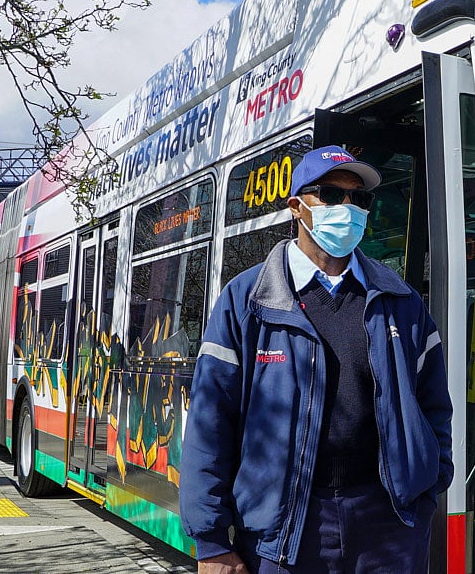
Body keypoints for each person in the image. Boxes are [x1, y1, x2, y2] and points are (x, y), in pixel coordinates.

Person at [180, 145, 452, 574]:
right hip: (286, 528)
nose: (348, 208)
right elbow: (210, 423)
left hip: (389, 527)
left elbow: (434, 405)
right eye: (330, 194)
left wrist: (428, 486)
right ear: (297, 207)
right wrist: (211, 542)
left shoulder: (402, 302)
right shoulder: (246, 299)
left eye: (359, 199)